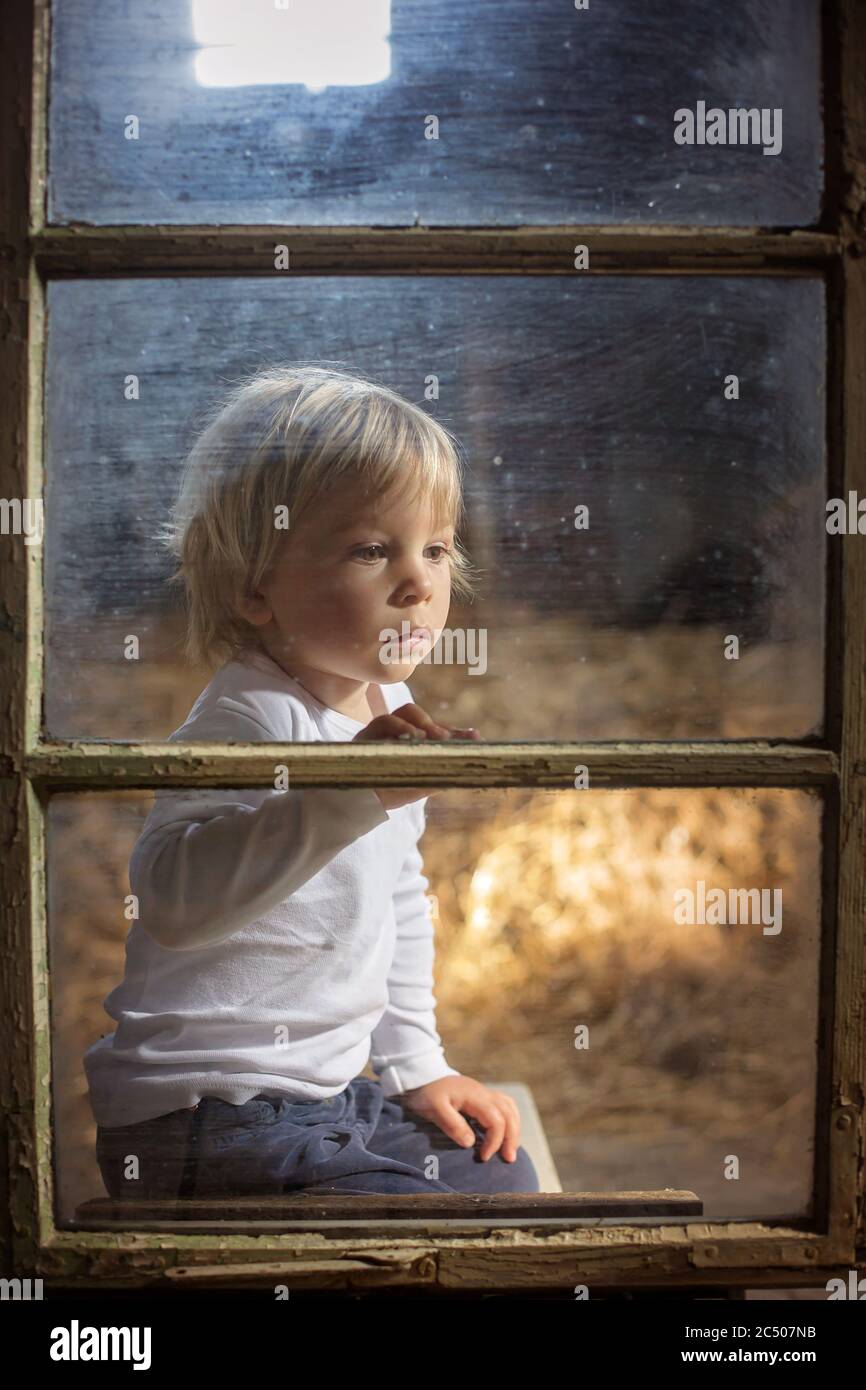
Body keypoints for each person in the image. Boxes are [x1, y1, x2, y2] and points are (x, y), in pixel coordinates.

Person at [84, 362, 540, 1201]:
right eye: (373, 550)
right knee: (444, 1233)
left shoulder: (388, 704)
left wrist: (416, 1066)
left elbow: (401, 899)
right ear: (256, 588)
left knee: (501, 1178)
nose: (419, 582)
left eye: (435, 548)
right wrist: (349, 795)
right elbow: (176, 898)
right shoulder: (248, 716)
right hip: (207, 1122)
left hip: (329, 1100)